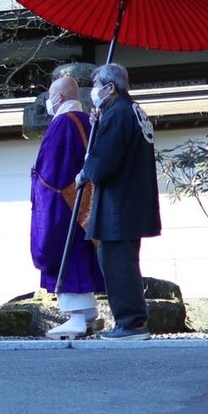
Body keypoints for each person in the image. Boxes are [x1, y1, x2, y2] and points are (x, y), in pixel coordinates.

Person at [77, 62, 161, 341]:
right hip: (133, 199)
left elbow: (102, 165)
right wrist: (99, 123)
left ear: (110, 87)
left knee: (117, 263)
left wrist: (86, 170)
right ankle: (132, 320)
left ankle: (131, 322)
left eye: (97, 85)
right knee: (125, 261)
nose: (93, 91)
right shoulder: (132, 111)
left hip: (118, 204)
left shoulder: (119, 114)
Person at [31, 74, 105, 340]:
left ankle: (75, 318)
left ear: (60, 97)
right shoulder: (87, 121)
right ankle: (87, 312)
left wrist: (40, 197)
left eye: (51, 96)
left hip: (63, 202)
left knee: (65, 251)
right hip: (86, 198)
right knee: (81, 250)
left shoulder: (62, 123)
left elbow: (50, 172)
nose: (49, 103)